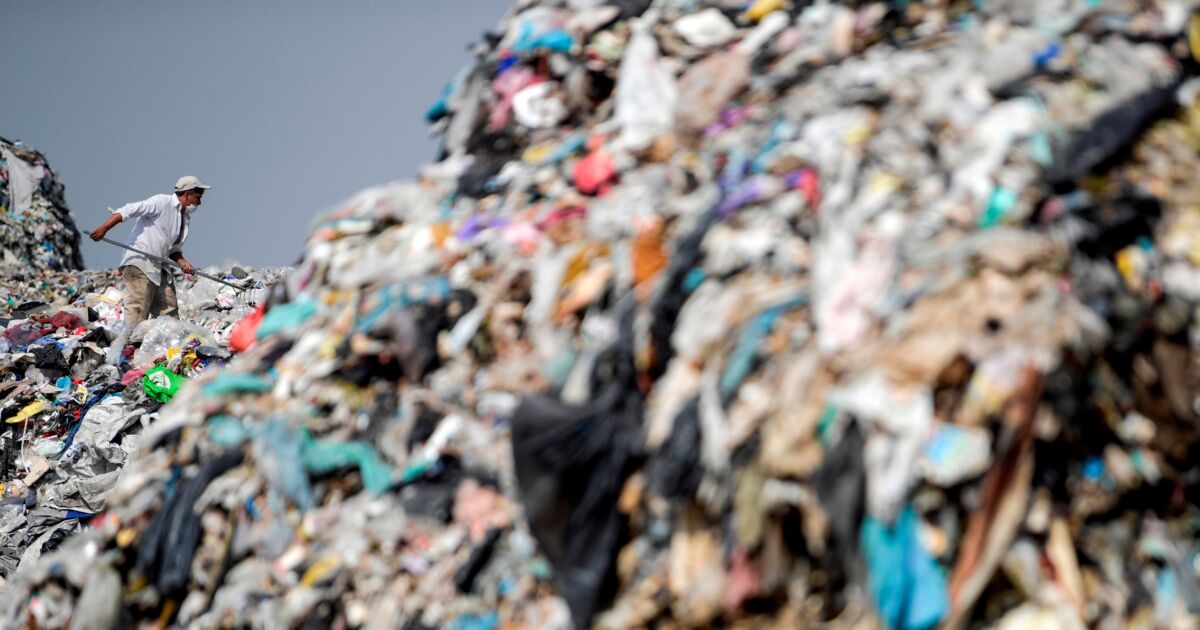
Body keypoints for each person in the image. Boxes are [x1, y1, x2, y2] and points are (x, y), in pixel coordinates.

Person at [88, 176, 210, 329]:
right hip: (140, 262)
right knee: (138, 308)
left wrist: (183, 263)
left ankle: (169, 345)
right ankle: (129, 344)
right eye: (198, 198)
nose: (199, 202)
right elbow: (129, 210)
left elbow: (172, 249)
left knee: (169, 311)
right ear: (187, 194)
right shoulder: (162, 202)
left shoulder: (184, 218)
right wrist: (104, 228)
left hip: (159, 265)